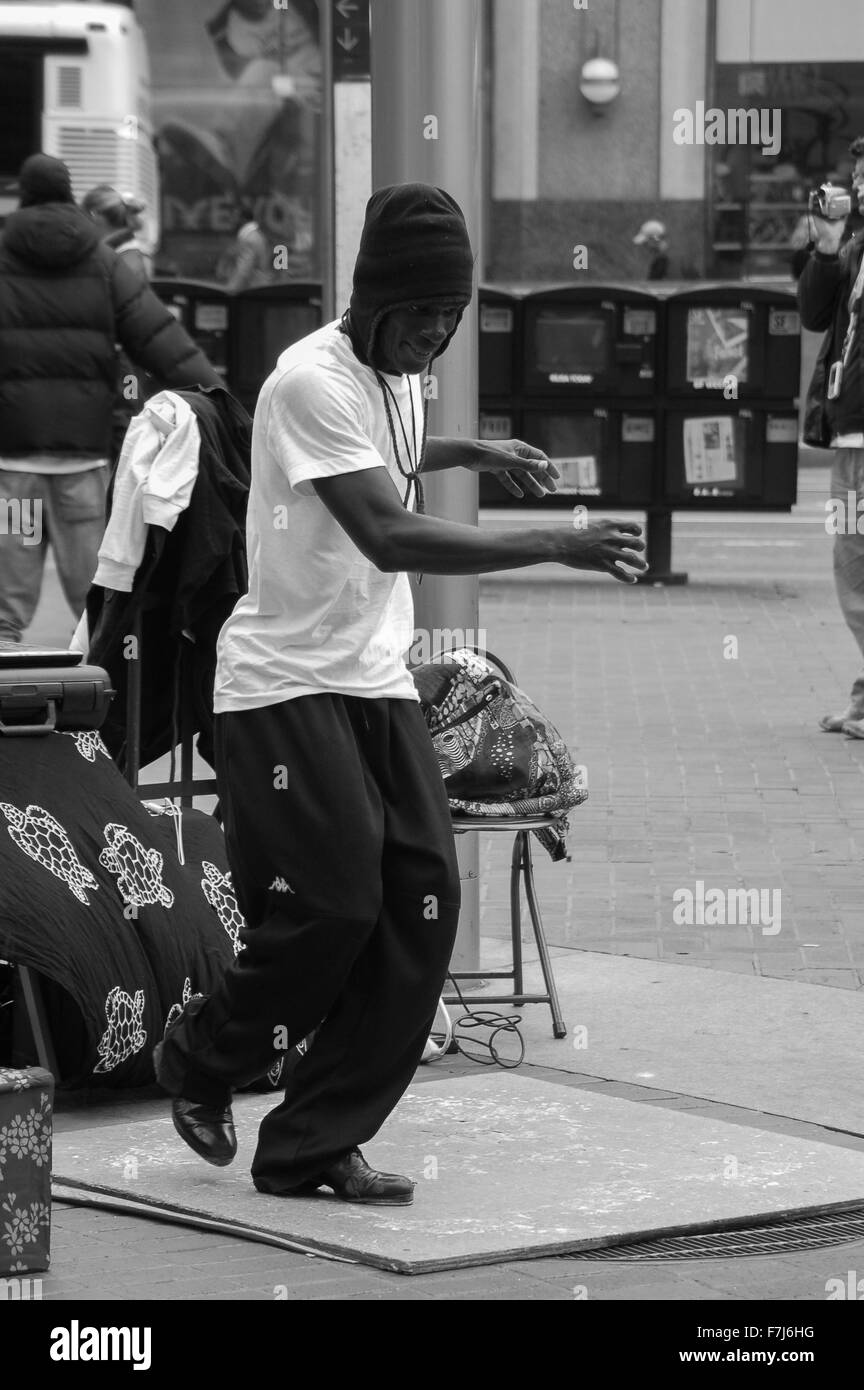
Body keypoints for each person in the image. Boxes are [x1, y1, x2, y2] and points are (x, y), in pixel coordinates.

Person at [153, 182, 647, 1205]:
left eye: (450, 319)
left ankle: (311, 1143)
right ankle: (203, 1053)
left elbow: (394, 451)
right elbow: (386, 526)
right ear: (373, 300)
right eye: (419, 316)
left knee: (425, 907)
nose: (433, 337)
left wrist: (473, 448)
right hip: (283, 686)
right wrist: (557, 541)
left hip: (372, 678)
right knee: (331, 905)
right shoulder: (305, 382)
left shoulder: (395, 374)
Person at [0, 154, 223, 645]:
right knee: (96, 600)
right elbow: (160, 337)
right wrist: (220, 400)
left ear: (24, 196)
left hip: (10, 461)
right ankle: (96, 707)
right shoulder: (100, 259)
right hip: (82, 460)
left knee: (5, 614)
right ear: (68, 194)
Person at [799, 135, 864, 739]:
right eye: (858, 171)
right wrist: (825, 248)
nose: (857, 184)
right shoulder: (854, 245)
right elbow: (815, 315)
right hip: (852, 435)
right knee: (854, 571)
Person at [218, 200, 271, 292]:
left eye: (234, 216)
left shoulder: (250, 239)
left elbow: (244, 271)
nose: (231, 220)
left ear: (243, 219)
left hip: (253, 292)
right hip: (261, 290)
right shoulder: (257, 235)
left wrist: (228, 292)